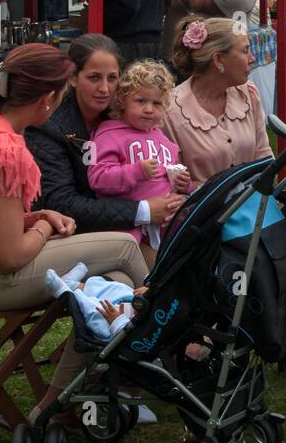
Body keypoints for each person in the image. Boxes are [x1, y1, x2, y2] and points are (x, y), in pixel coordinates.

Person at [0, 43, 150, 425]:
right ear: (48, 99)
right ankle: (167, 339)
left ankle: (58, 404)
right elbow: (9, 256)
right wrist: (45, 226)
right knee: (125, 247)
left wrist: (39, 215)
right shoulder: (6, 148)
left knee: (113, 280)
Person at [27, 34, 183, 237]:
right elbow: (62, 203)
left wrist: (177, 192)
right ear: (73, 78)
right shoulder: (48, 127)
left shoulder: (129, 114)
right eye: (94, 78)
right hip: (77, 234)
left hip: (140, 228)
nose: (104, 89)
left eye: (112, 78)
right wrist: (143, 211)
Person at [85, 58, 189, 263]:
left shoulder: (164, 140)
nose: (149, 109)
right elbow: (97, 179)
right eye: (141, 101)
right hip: (130, 230)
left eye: (156, 103)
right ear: (123, 100)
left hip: (169, 229)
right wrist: (136, 171)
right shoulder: (108, 134)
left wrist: (182, 186)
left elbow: (172, 183)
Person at [162, 17, 272, 196]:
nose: (252, 58)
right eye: (245, 51)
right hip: (202, 217)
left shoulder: (248, 94)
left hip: (252, 210)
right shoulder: (171, 111)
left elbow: (264, 157)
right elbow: (170, 180)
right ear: (219, 59)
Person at [45, 262, 146, 342]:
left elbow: (132, 339)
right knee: (118, 289)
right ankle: (73, 284)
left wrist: (117, 321)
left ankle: (64, 291)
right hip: (138, 307)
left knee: (98, 311)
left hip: (122, 328)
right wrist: (150, 290)